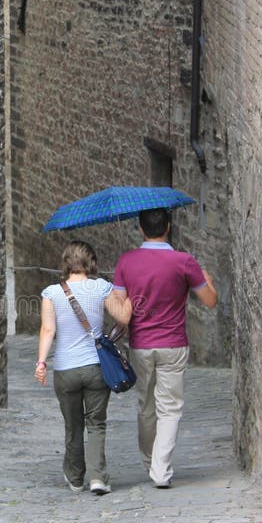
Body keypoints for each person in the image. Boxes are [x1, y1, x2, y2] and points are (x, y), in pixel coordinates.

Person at [112, 208, 217, 488]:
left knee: (146, 407)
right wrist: (208, 280)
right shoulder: (184, 261)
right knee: (170, 408)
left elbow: (119, 308)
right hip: (173, 343)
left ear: (140, 228)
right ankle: (161, 470)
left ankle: (151, 462)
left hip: (141, 345)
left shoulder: (126, 261)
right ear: (168, 227)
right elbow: (210, 300)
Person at [35, 240, 132, 496]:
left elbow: (47, 330)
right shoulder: (101, 288)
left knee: (73, 424)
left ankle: (76, 477)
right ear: (92, 262)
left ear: (66, 262)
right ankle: (98, 477)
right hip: (96, 368)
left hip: (66, 369)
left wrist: (41, 362)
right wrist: (132, 292)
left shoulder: (51, 293)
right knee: (96, 423)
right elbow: (123, 317)